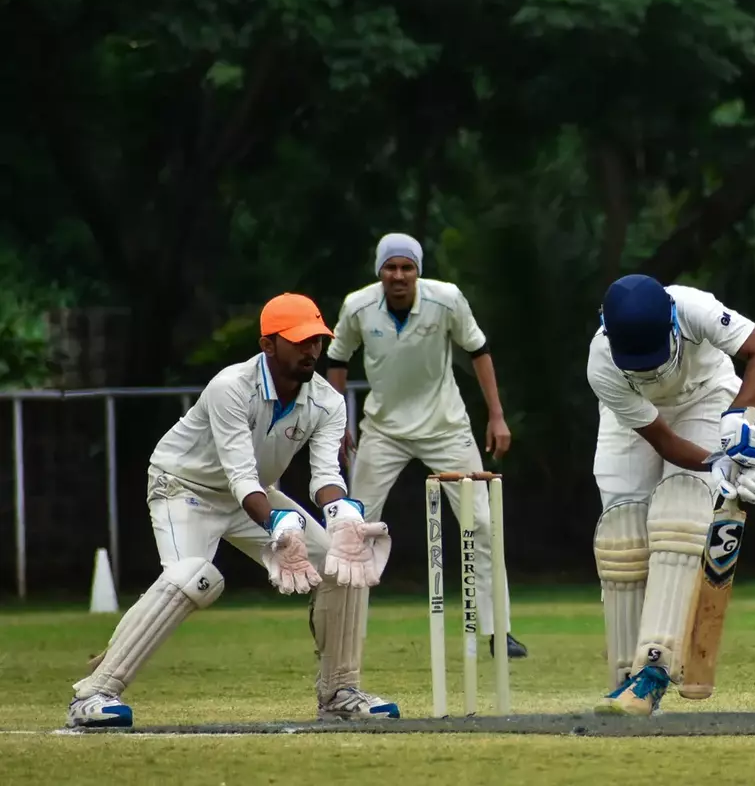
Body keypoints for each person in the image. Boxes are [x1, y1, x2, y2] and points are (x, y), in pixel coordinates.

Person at [66, 293, 398, 728]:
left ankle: (339, 691)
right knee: (194, 577)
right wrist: (278, 523)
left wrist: (344, 515)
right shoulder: (230, 387)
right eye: (299, 341)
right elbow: (239, 474)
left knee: (345, 565)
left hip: (254, 493)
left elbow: (325, 476)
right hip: (184, 486)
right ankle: (93, 695)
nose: (311, 350)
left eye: (317, 340)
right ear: (267, 345)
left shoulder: (327, 400)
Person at [588, 274, 755, 715]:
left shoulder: (693, 307)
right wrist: (719, 464)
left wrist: (739, 418)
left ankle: (655, 668)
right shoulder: (602, 365)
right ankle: (625, 679)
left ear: (672, 322)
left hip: (705, 398)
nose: (648, 367)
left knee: (680, 513)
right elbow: (663, 441)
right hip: (637, 422)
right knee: (621, 533)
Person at [326, 232, 527, 660]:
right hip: (383, 429)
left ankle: (498, 631)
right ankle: (341, 632)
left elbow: (479, 349)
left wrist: (496, 415)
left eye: (407, 267)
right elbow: (337, 360)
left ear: (418, 271)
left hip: (445, 426)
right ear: (379, 271)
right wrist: (338, 421)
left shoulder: (446, 299)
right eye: (390, 267)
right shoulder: (357, 306)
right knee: (353, 527)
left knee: (484, 524)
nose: (398, 276)